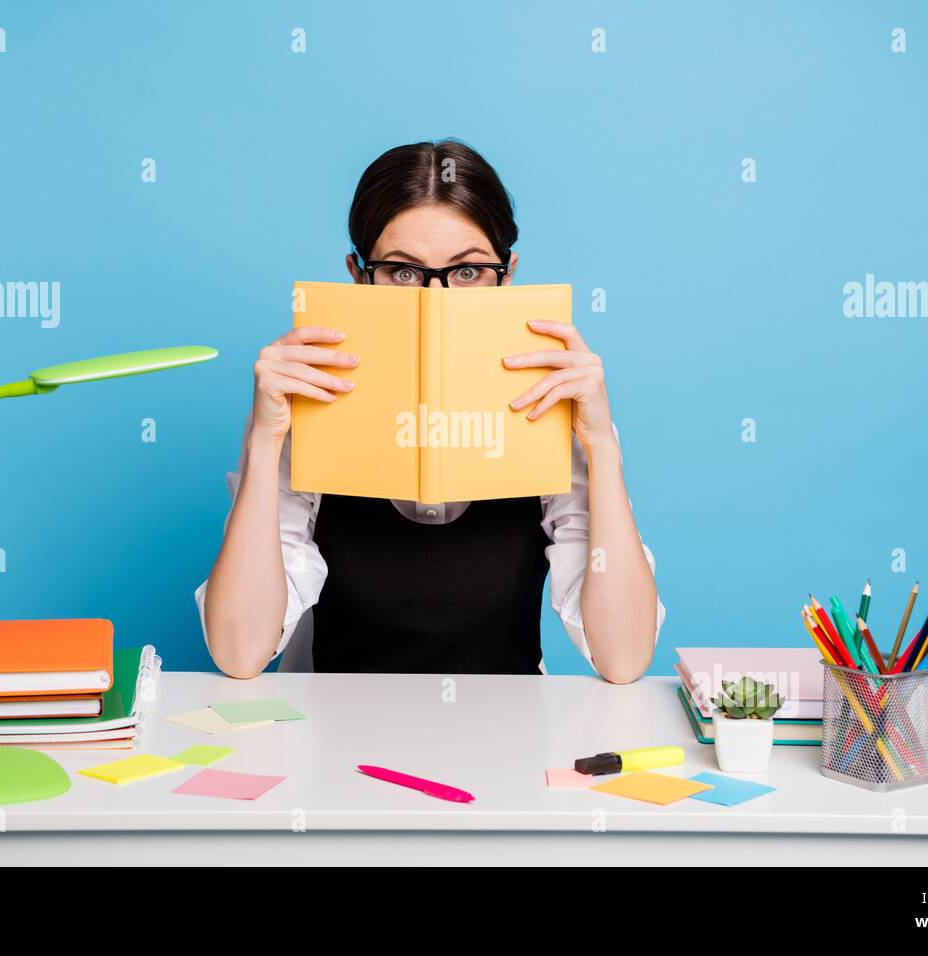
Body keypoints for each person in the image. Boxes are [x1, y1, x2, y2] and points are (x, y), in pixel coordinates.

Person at [197, 140, 664, 681]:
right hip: (331, 734)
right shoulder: (306, 401)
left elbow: (624, 657)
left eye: (467, 273)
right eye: (402, 272)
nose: (434, 301)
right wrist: (265, 440)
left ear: (506, 274)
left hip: (511, 738)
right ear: (358, 274)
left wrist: (601, 446)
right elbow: (239, 651)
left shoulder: (554, 404)